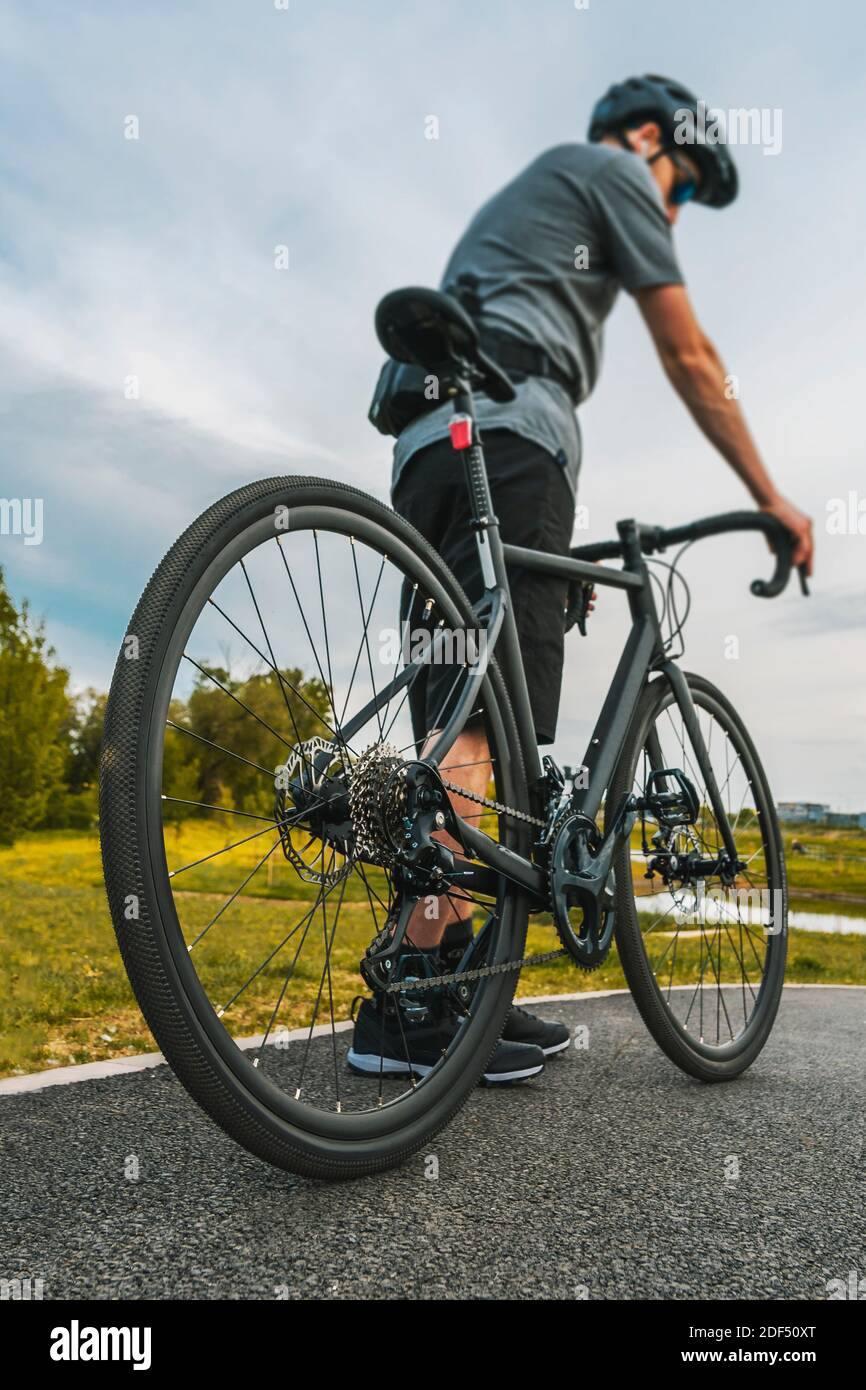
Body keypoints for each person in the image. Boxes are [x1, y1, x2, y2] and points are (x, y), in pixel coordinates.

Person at [348, 74, 815, 1084]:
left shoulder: (527, 198)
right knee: (488, 734)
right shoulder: (612, 170)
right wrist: (772, 497)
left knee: (454, 707)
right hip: (515, 431)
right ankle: (417, 992)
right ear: (647, 138)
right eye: (681, 184)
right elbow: (688, 352)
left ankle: (451, 987)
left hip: (436, 446)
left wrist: (551, 559)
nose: (673, 209)